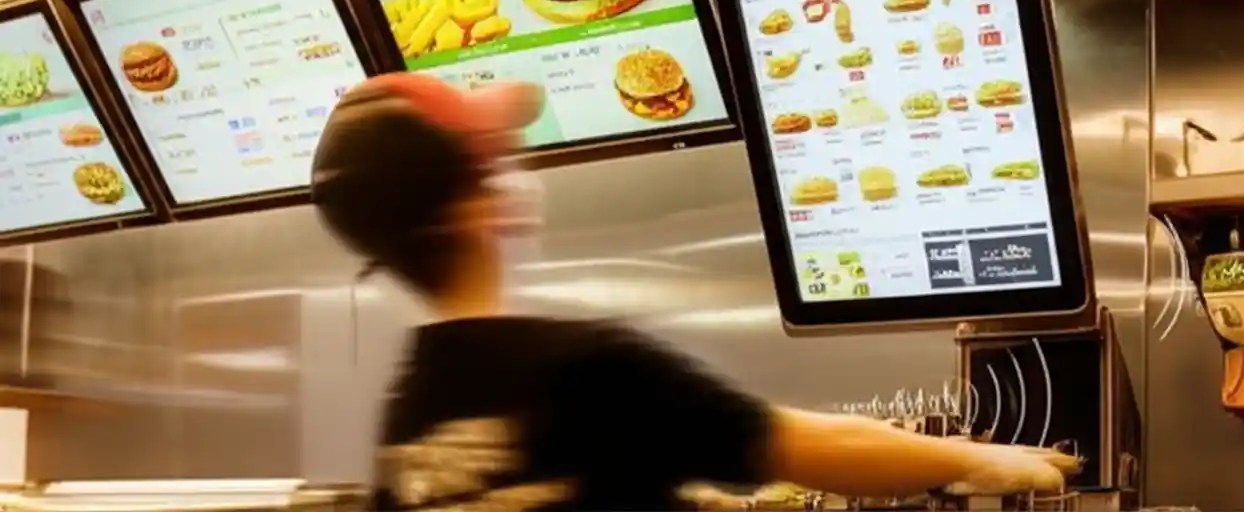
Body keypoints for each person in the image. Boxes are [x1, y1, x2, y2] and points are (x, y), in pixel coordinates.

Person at [311, 73, 1076, 512]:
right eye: (493, 163)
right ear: (479, 207)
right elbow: (811, 450)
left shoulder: (404, 419)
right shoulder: (587, 368)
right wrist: (973, 459)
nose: (514, 176)